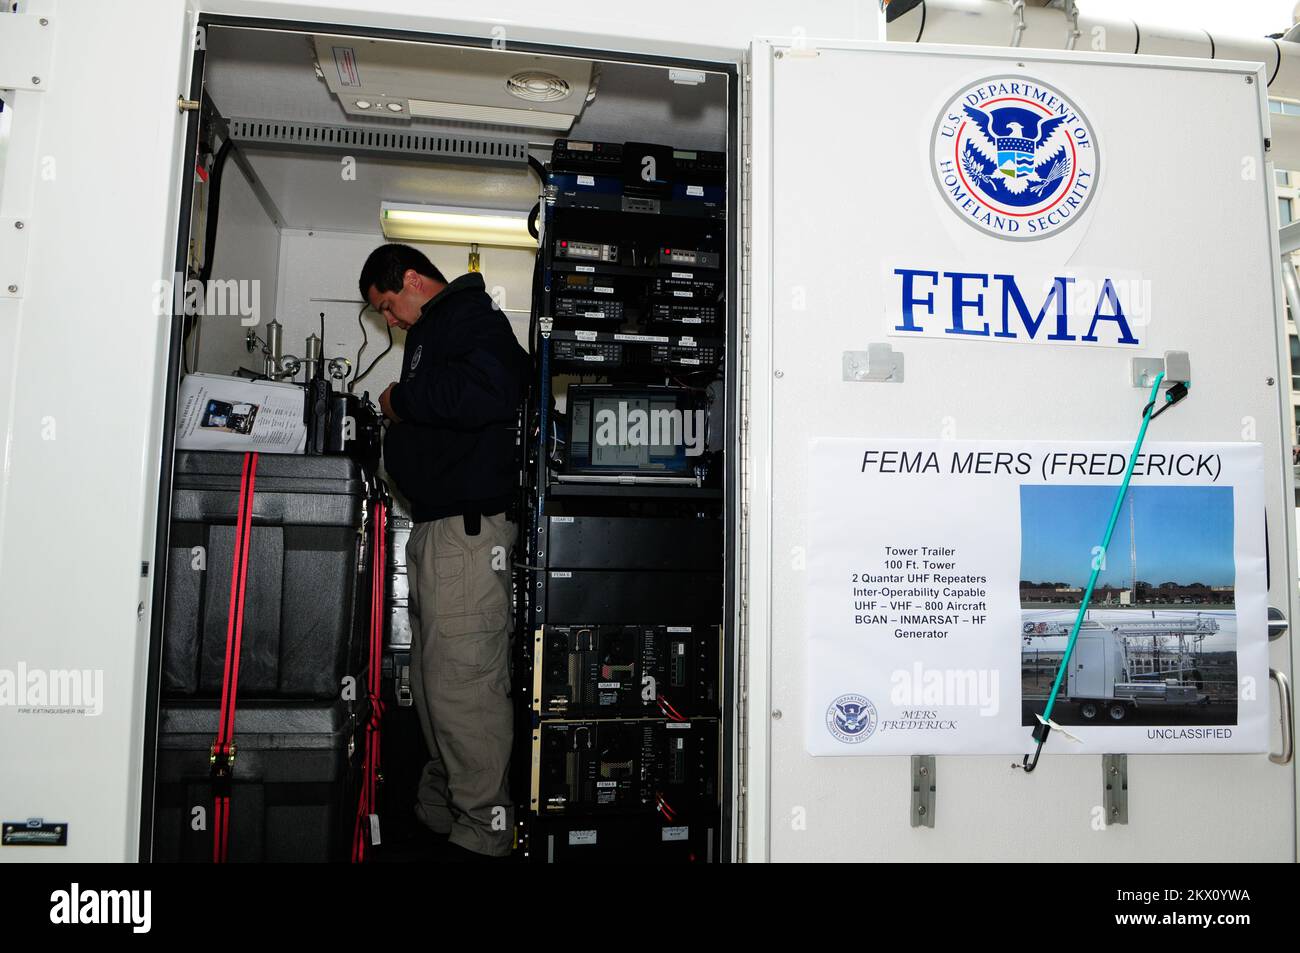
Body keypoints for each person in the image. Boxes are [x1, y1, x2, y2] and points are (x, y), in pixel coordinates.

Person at [358, 243, 529, 858]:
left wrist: (402, 402)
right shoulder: (436, 332)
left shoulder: (468, 316)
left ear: (411, 280)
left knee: (463, 684)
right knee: (433, 686)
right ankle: (442, 811)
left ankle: (485, 831)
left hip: (468, 531)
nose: (391, 322)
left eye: (388, 306)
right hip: (440, 529)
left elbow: (491, 391)